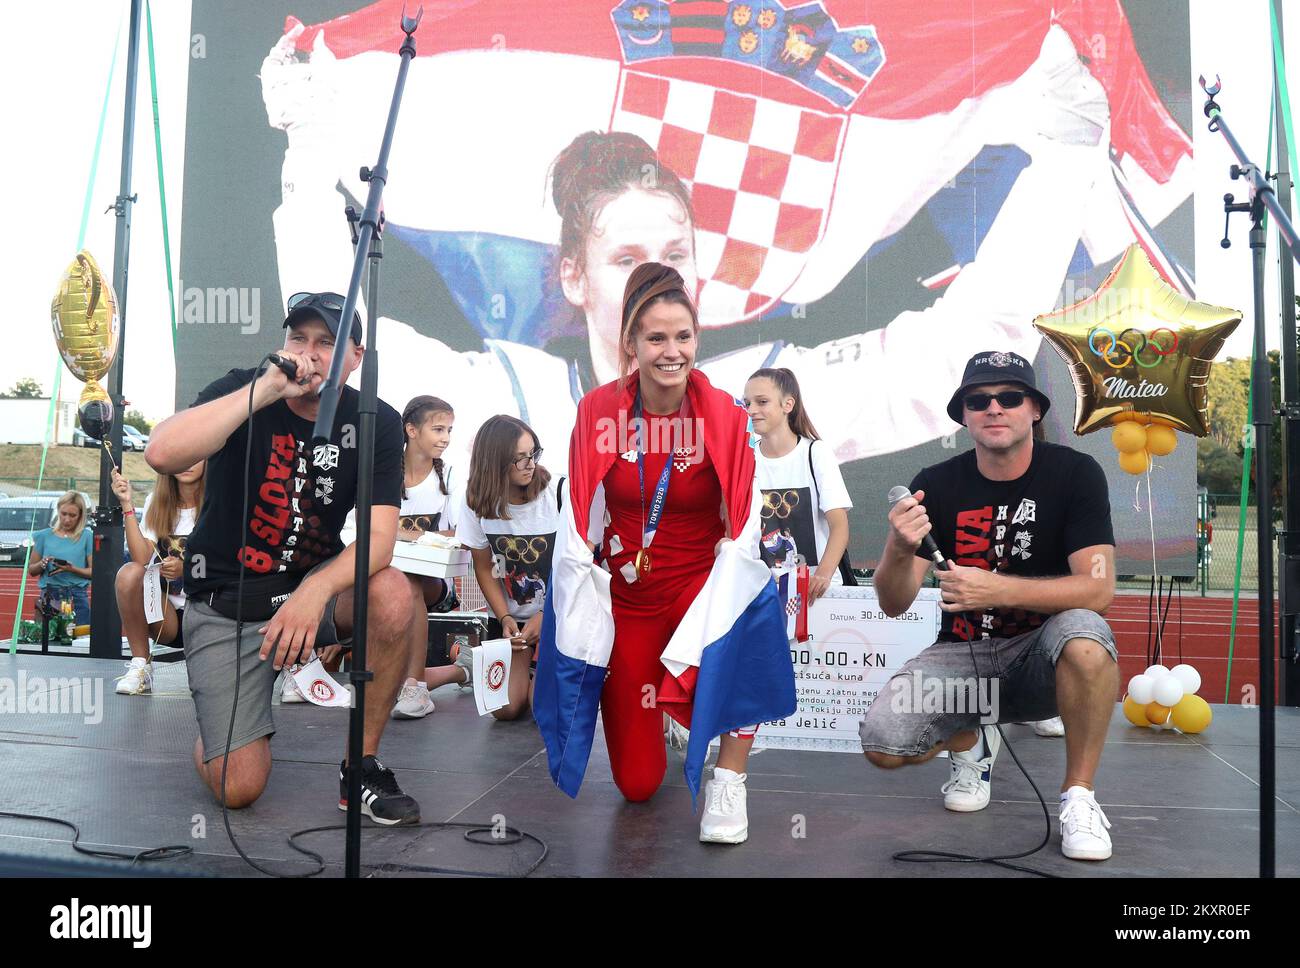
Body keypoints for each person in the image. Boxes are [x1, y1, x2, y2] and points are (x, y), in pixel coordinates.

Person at [538, 262, 795, 844]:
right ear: (630, 343)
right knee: (636, 784)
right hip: (630, 596)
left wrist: (735, 588)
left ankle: (729, 776)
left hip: (699, 592)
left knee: (748, 617)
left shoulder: (723, 416)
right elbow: (578, 515)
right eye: (656, 338)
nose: (672, 352)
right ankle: (671, 711)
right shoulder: (601, 412)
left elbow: (746, 525)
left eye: (683, 336)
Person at [145, 291, 424, 824]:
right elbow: (162, 452)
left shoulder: (375, 421)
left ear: (355, 357)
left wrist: (313, 592)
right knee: (239, 788)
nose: (311, 353)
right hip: (227, 604)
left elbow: (380, 540)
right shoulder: (242, 388)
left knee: (392, 592)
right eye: (299, 338)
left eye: (327, 342)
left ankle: (359, 765)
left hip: (308, 592)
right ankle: (222, 722)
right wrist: (266, 388)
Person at [859, 350, 1119, 861]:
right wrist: (896, 546)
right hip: (963, 658)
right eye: (978, 401)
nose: (994, 408)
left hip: (1042, 656)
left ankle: (1080, 798)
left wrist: (997, 589)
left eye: (1010, 397)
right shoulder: (934, 482)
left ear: (1035, 410)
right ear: (963, 416)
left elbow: (1098, 588)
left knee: (1086, 633)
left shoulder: (1076, 473)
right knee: (883, 744)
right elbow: (894, 602)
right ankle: (970, 738)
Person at [450, 415, 563, 720]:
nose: (530, 464)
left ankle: (547, 671)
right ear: (495, 462)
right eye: (519, 458)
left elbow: (573, 569)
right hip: (516, 621)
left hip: (558, 615)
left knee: (542, 709)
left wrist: (546, 614)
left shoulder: (559, 493)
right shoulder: (475, 500)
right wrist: (505, 617)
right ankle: (507, 666)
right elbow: (484, 567)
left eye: (533, 453)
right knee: (505, 710)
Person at [744, 367, 852, 602]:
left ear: (788, 405)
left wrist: (822, 576)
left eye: (761, 402)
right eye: (747, 403)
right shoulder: (746, 458)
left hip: (819, 594)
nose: (752, 410)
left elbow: (839, 525)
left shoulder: (816, 452)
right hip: (765, 594)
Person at [388, 394, 460, 719]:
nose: (445, 438)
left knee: (410, 581)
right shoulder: (384, 472)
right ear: (412, 430)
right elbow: (359, 531)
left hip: (434, 583)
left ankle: (416, 689)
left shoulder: (453, 476)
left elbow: (461, 536)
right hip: (382, 575)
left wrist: (402, 535)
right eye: (438, 429)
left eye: (449, 430)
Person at [111, 460, 206, 695]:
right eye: (182, 456)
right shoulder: (157, 500)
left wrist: (186, 569)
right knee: (129, 573)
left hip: (212, 613)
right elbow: (141, 557)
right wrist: (127, 504)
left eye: (196, 456)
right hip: (169, 617)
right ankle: (141, 665)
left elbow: (228, 561)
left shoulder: (219, 500)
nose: (188, 462)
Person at [28, 491, 93, 625]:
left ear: (80, 515)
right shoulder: (43, 536)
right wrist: (42, 564)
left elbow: (93, 572)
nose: (67, 519)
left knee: (80, 641)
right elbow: (32, 570)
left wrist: (71, 569)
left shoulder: (87, 536)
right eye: (64, 514)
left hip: (77, 596)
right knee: (47, 641)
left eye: (72, 515)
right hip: (49, 596)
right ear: (58, 511)